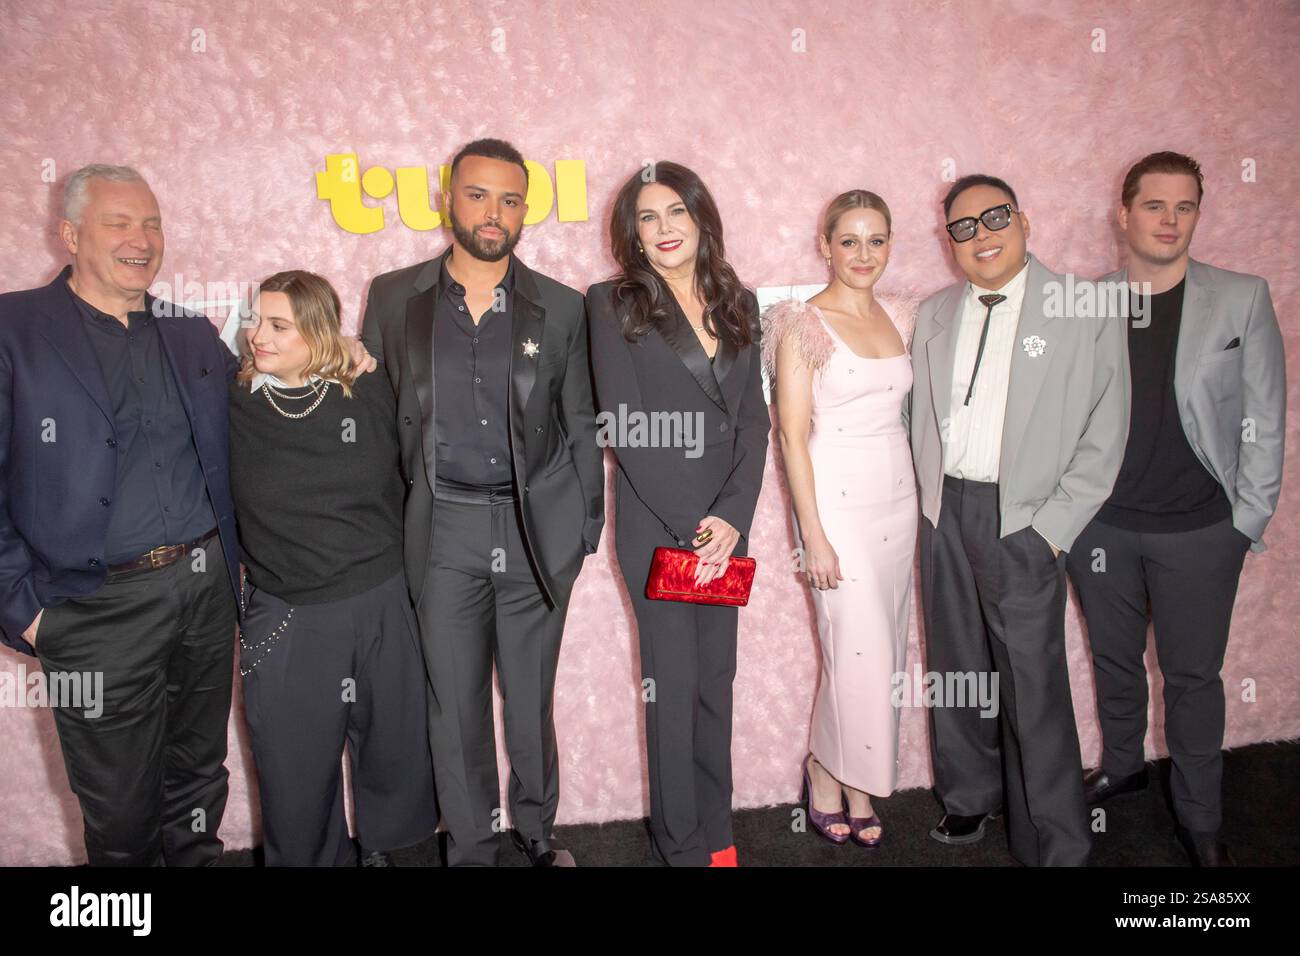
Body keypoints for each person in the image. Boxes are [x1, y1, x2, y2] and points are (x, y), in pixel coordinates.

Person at [360, 138, 603, 867]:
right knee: (453, 707)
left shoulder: (560, 306)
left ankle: (535, 837)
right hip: (441, 530)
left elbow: (582, 420)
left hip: (532, 534)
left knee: (529, 706)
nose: (492, 213)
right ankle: (470, 848)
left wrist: (581, 527)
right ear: (448, 199)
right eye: (477, 194)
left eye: (508, 199)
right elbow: (372, 421)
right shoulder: (393, 296)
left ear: (525, 209)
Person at [0, 165, 242, 865]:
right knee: (122, 816)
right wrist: (27, 611)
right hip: (93, 611)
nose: (141, 239)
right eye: (120, 223)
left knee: (198, 784)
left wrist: (333, 358)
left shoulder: (190, 331)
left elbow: (259, 422)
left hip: (204, 593)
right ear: (70, 233)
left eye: (152, 223)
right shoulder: (13, 329)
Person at [1067, 152, 1286, 867]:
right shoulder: (1087, 303)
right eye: (1154, 205)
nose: (1169, 220)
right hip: (1103, 526)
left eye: (1184, 206)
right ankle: (1125, 767)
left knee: (1193, 679)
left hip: (1200, 531)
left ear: (1198, 212)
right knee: (1114, 660)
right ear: (1123, 214)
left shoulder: (1242, 297)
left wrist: (1246, 520)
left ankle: (1199, 817)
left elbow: (1267, 413)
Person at [905, 174, 1129, 866]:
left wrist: (1054, 528)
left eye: (995, 217)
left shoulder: (1083, 307)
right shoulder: (935, 313)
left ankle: (1057, 839)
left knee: (1033, 685)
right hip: (945, 512)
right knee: (957, 667)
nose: (982, 235)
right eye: (963, 227)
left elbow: (1106, 429)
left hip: (1024, 519)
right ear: (949, 243)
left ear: (1024, 221)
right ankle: (970, 800)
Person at [587, 161, 770, 867]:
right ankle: (681, 844)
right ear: (631, 232)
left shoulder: (740, 302)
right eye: (648, 217)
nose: (664, 229)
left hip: (725, 530)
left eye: (676, 213)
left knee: (715, 683)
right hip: (660, 527)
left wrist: (731, 517)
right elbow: (623, 424)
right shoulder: (613, 303)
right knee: (674, 686)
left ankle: (717, 833)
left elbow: (754, 421)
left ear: (701, 219)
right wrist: (698, 524)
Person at [227, 270, 437, 866]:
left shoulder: (372, 389)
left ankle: (390, 855)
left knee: (397, 762)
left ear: (319, 333)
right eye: (254, 320)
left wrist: (353, 352)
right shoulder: (230, 399)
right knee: (294, 778)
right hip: (287, 616)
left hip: (382, 602)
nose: (256, 336)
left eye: (277, 325)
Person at [764, 190, 914, 848]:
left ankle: (848, 774)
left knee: (885, 651)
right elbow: (791, 436)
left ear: (890, 244)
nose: (862, 254)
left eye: (875, 240)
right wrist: (813, 536)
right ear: (824, 245)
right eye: (848, 240)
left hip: (898, 503)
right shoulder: (802, 323)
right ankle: (833, 772)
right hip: (838, 508)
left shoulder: (901, 317)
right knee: (855, 651)